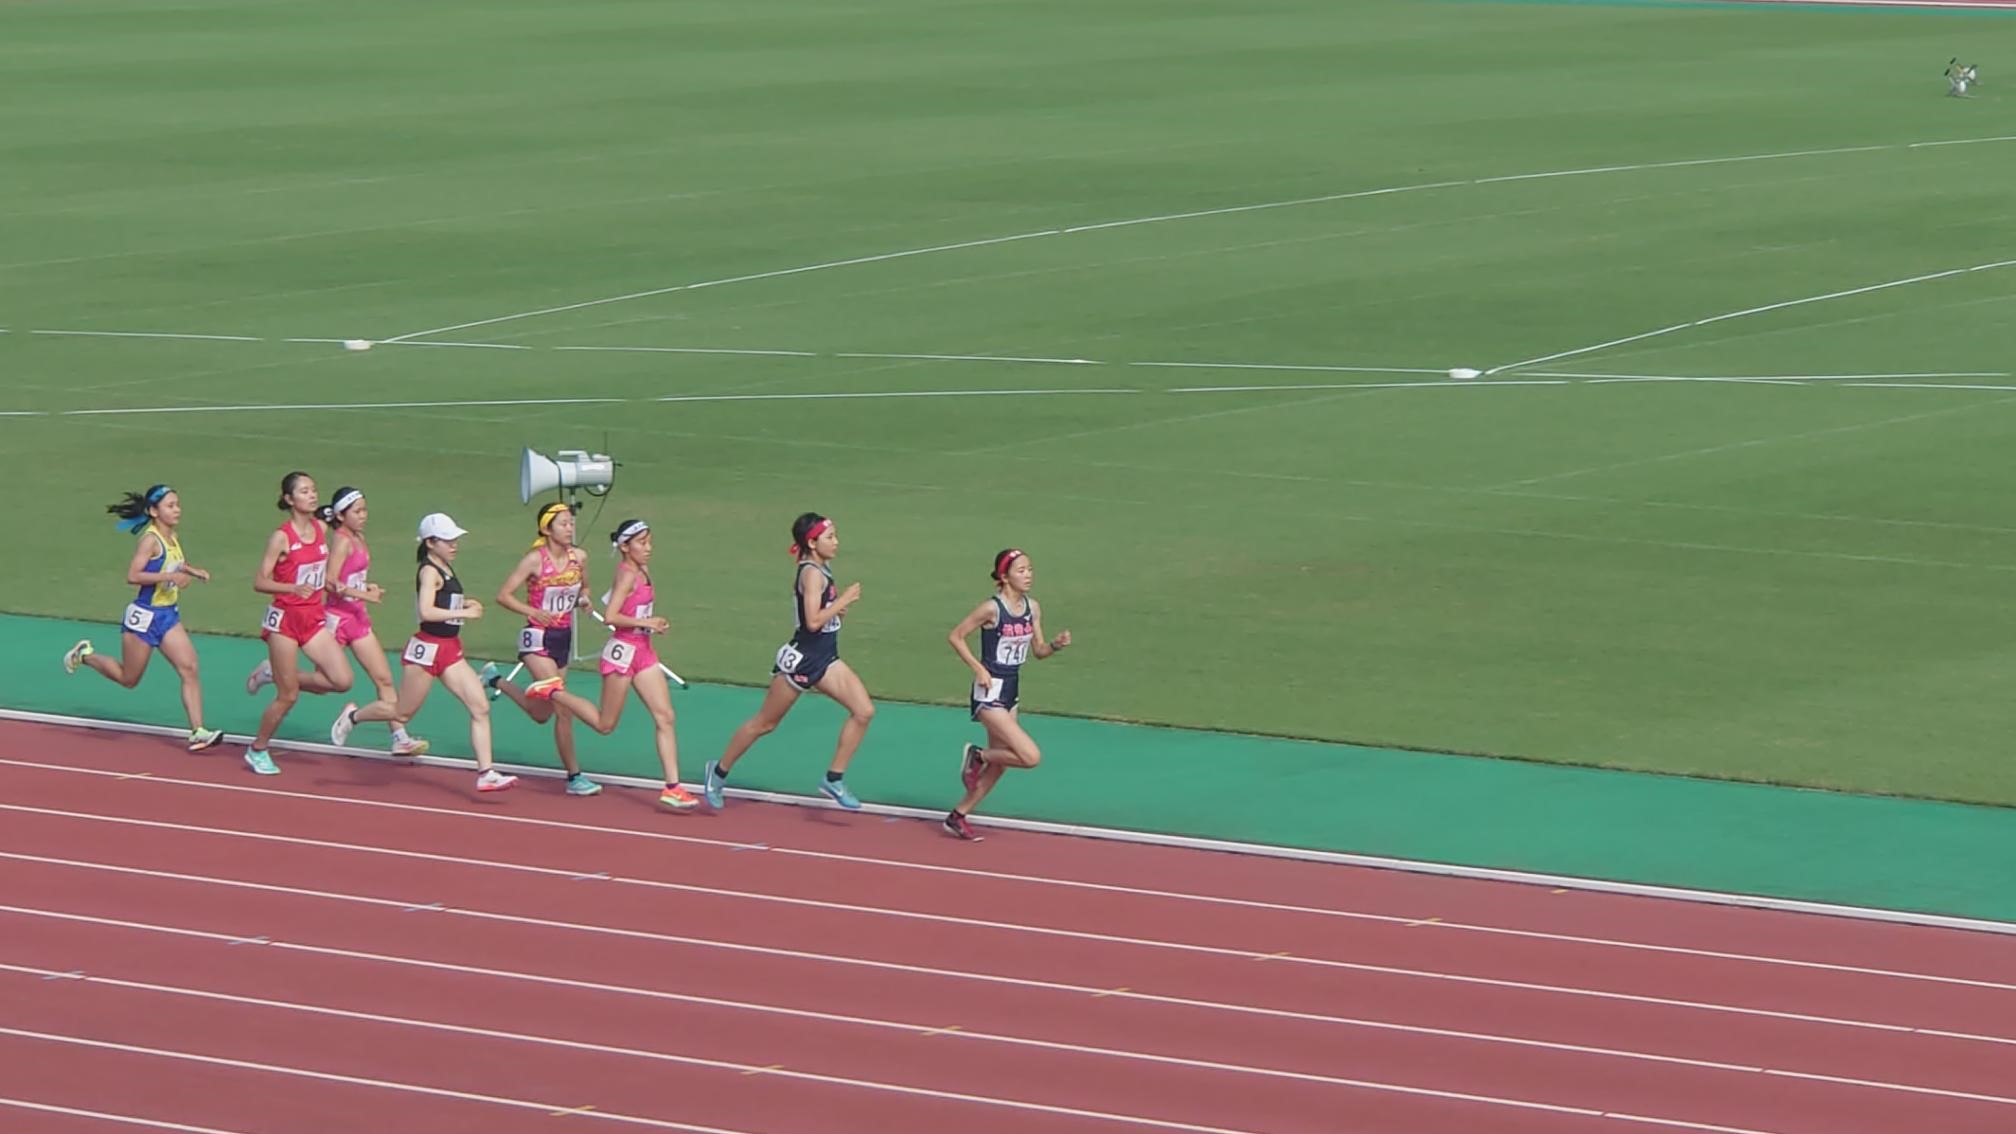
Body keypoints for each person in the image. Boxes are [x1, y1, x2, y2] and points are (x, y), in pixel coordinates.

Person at [332, 513, 518, 793]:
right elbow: (426, 611)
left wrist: (461, 602)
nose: (454, 544)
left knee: (480, 707)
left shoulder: (444, 565)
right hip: (427, 650)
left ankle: (486, 773)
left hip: (450, 650)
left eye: (455, 539)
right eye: (448, 540)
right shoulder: (429, 570)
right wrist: (464, 611)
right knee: (402, 713)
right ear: (431, 542)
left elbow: (441, 600)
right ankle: (353, 717)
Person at [703, 513, 871, 812]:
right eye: (830, 537)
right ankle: (717, 772)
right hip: (803, 660)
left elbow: (822, 612)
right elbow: (812, 622)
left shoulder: (822, 567)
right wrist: (843, 602)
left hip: (826, 658)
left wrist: (836, 608)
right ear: (812, 542)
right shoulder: (811, 573)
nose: (836, 542)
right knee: (765, 723)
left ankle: (834, 778)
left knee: (863, 711)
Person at [538, 519, 697, 810]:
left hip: (644, 651)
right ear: (625, 547)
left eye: (649, 541)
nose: (648, 548)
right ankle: (553, 692)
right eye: (642, 543)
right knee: (604, 724)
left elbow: (627, 605)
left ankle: (673, 787)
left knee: (665, 716)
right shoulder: (626, 575)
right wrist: (645, 622)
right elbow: (610, 616)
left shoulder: (642, 570)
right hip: (622, 652)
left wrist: (649, 623)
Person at [63, 484, 222, 752]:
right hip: (144, 617)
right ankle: (85, 655)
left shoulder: (172, 537)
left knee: (190, 668)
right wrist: (171, 577)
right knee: (129, 678)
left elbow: (171, 563)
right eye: (170, 506)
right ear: (153, 511)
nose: (177, 510)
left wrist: (191, 570)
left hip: (168, 616)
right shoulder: (150, 540)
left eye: (177, 504)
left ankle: (198, 731)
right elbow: (134, 575)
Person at [941, 548, 1071, 840]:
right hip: (989, 690)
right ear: (1004, 576)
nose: (1028, 575)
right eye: (1021, 570)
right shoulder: (991, 609)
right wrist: (978, 668)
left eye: (1030, 569)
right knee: (1029, 756)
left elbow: (1038, 651)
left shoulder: (1032, 608)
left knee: (1001, 766)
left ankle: (958, 815)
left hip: (1012, 690)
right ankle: (978, 754)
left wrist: (1056, 645)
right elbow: (956, 636)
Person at [481, 501, 600, 796]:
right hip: (536, 638)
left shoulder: (580, 557)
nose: (570, 528)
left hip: (563, 637)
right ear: (547, 529)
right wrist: (531, 611)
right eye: (563, 524)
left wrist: (584, 599)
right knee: (563, 707)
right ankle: (574, 777)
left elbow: (585, 587)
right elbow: (503, 595)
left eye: (571, 523)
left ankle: (495, 680)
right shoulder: (534, 560)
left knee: (540, 713)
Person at [243, 471, 354, 775]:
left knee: (341, 681)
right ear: (290, 499)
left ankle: (271, 673)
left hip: (312, 618)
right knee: (288, 695)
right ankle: (258, 749)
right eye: (304, 491)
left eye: (314, 490)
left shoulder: (320, 528)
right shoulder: (282, 537)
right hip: (285, 622)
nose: (312, 495)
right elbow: (259, 581)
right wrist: (291, 587)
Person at [320, 486, 427, 757]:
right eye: (357, 511)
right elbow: (329, 583)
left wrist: (368, 587)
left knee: (384, 678)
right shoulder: (341, 540)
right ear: (341, 516)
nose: (363, 515)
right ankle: (274, 673)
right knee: (327, 682)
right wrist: (362, 593)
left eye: (364, 510)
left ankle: (400, 737)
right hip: (337, 619)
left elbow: (352, 576)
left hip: (357, 617)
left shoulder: (358, 537)